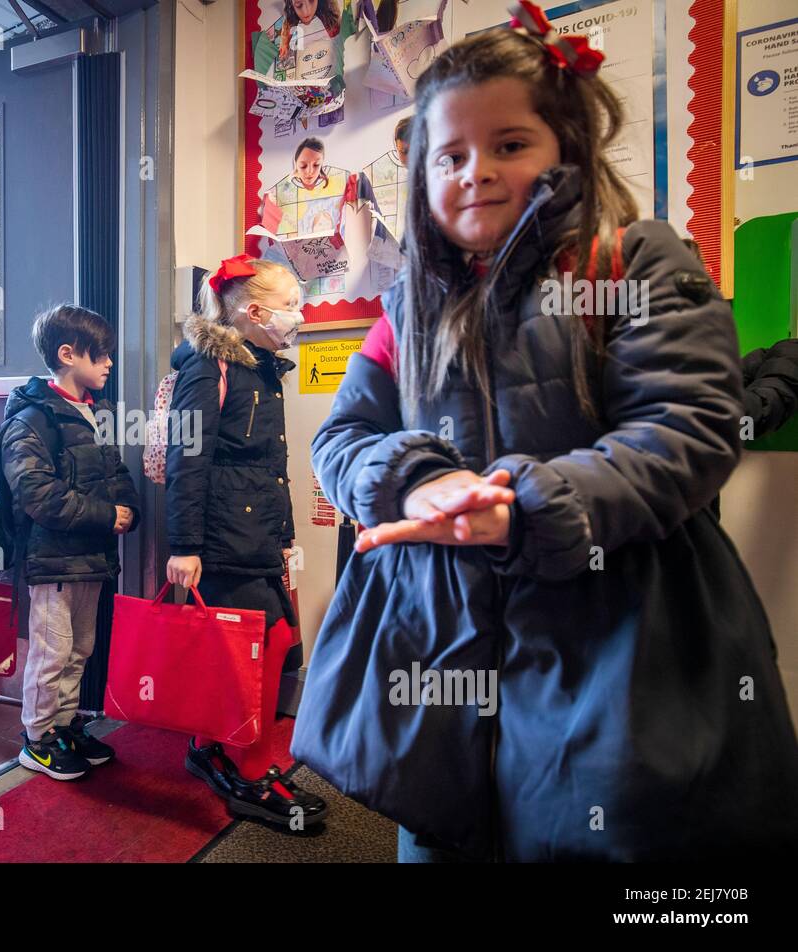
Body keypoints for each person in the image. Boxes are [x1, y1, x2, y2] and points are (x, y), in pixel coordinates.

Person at [294, 6, 798, 861]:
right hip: (446, 633)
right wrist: (415, 479)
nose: (474, 172)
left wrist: (529, 507)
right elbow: (343, 435)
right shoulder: (408, 306)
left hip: (616, 629)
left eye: (509, 145)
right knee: (449, 828)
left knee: (601, 834)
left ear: (565, 145)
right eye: (449, 156)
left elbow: (689, 424)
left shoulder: (633, 260)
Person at [165, 253, 328, 829]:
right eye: (290, 306)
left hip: (256, 534)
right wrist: (183, 546)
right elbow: (189, 460)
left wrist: (284, 535)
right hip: (223, 541)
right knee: (250, 659)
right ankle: (250, 775)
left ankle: (215, 750)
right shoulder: (209, 369)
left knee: (276, 643)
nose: (298, 316)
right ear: (255, 312)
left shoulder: (260, 368)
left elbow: (269, 466)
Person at [1, 304, 141, 781]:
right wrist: (108, 516)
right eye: (100, 354)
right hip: (53, 562)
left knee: (81, 648)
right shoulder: (32, 418)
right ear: (67, 354)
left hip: (90, 557)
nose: (109, 364)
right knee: (51, 653)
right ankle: (36, 740)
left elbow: (115, 473)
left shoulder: (92, 412)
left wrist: (129, 509)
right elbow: (37, 495)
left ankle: (63, 726)